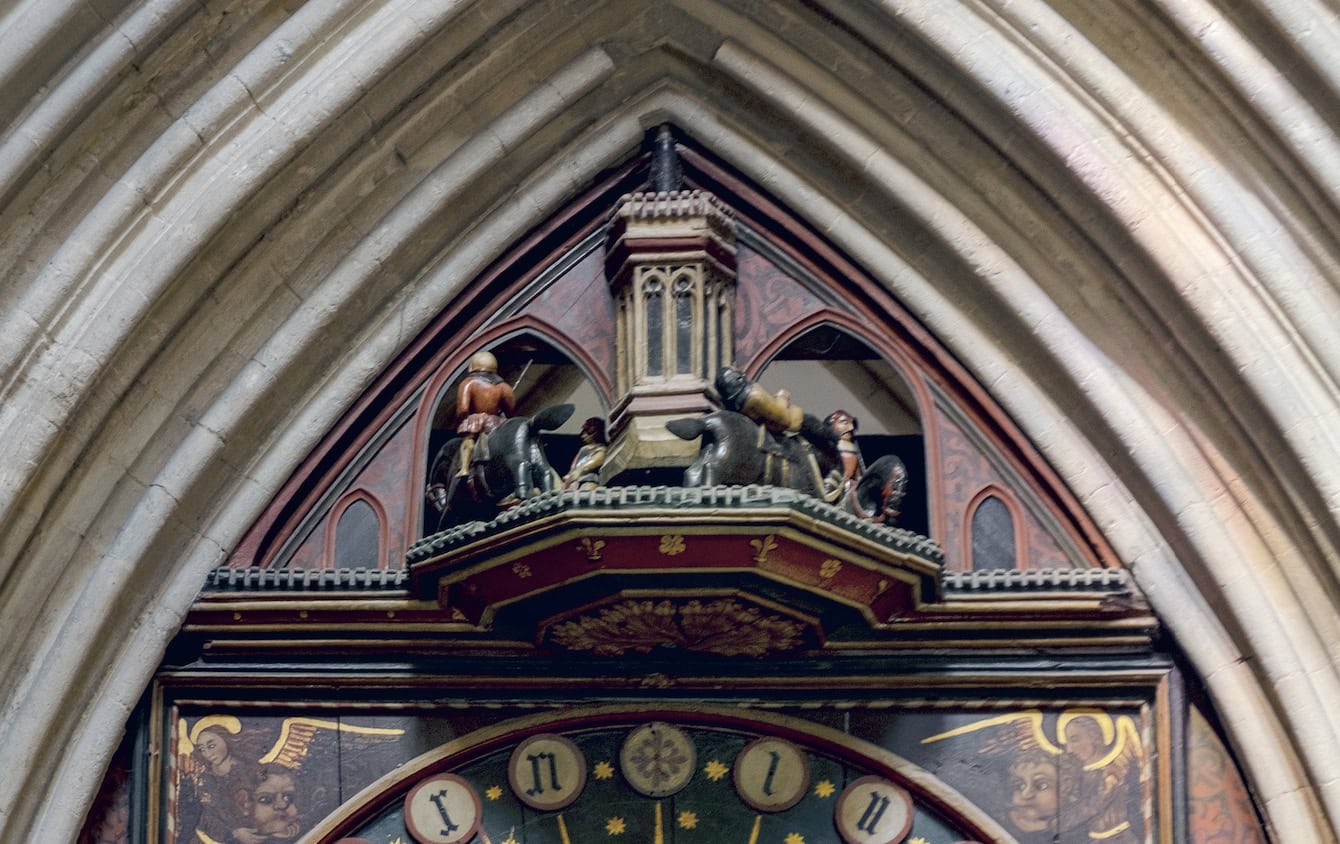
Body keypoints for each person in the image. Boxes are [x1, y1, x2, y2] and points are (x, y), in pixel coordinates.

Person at [453, 350, 515, 477]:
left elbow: (463, 409)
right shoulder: (504, 387)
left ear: (472, 366)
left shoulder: (469, 383)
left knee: (468, 440)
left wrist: (462, 419)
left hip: (476, 422)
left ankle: (464, 467)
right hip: (495, 423)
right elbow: (510, 410)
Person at [823, 409, 865, 503]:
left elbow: (858, 474)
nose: (850, 428)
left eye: (851, 424)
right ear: (833, 423)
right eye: (844, 423)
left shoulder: (854, 448)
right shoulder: (827, 446)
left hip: (850, 490)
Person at [563, 417, 607, 490]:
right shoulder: (584, 449)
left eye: (587, 432)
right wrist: (570, 476)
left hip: (588, 480)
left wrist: (579, 471)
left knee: (587, 488)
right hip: (574, 480)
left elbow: (594, 462)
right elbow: (575, 466)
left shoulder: (601, 449)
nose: (583, 436)